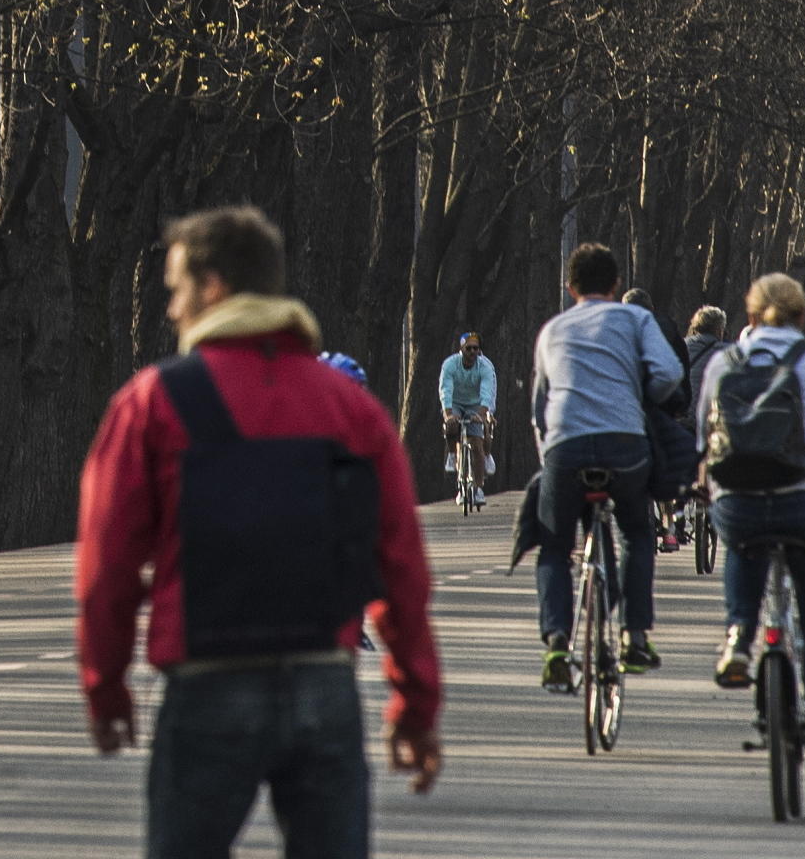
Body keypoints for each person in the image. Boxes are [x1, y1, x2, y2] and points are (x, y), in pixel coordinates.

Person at [76, 205, 441, 859]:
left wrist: (105, 687)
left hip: (208, 686)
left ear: (213, 288)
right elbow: (399, 568)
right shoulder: (349, 407)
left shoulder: (153, 402)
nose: (171, 309)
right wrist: (415, 703)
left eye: (176, 290)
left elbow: (107, 568)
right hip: (322, 686)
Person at [697, 271, 805, 796]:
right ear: (802, 317)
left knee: (740, 540)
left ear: (749, 318)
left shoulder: (723, 363)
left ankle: (738, 635)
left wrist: (705, 487)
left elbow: (704, 435)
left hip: (741, 503)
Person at [529, 243, 682, 681]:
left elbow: (540, 407)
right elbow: (669, 374)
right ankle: (634, 637)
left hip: (567, 448)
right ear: (616, 284)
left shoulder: (553, 330)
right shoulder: (636, 319)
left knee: (555, 546)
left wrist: (551, 460)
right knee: (637, 532)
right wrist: (640, 399)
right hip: (625, 447)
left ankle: (557, 642)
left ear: (569, 285)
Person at [436, 330, 498, 498]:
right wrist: (449, 414)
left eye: (475, 349)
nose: (472, 352)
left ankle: (477, 488)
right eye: (468, 348)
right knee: (451, 427)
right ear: (461, 349)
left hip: (475, 404)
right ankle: (451, 455)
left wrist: (482, 413)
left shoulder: (484, 366)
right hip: (455, 402)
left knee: (477, 443)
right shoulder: (450, 365)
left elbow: (487, 392)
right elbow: (445, 390)